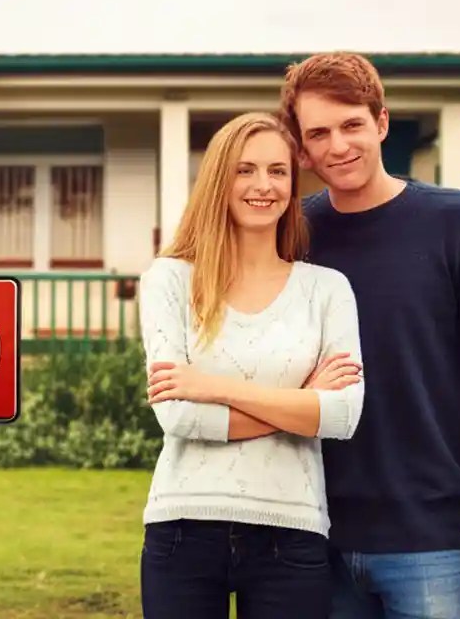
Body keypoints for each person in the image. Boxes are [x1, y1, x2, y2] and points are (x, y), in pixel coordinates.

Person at [278, 51, 460, 619]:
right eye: (319, 133)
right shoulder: (294, 234)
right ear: (302, 148)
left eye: (352, 125)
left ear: (382, 122)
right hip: (313, 541)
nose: (338, 146)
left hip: (430, 544)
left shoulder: (458, 222)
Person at [139, 111, 367, 619]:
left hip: (292, 530)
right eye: (245, 170)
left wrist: (211, 386)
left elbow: (342, 416)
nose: (263, 185)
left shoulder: (326, 289)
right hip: (182, 528)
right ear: (219, 180)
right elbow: (179, 415)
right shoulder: (169, 280)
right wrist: (301, 402)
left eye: (277, 171)